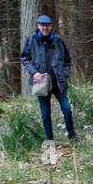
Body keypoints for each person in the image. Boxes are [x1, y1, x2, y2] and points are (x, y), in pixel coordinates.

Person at [21, 14, 75, 142]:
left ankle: (72, 136)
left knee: (67, 109)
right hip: (41, 84)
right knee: (45, 114)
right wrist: (34, 72)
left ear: (51, 26)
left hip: (58, 83)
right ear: (38, 26)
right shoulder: (31, 40)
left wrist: (64, 74)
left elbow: (67, 61)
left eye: (47, 25)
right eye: (42, 25)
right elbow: (24, 58)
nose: (45, 28)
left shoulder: (58, 40)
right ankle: (49, 139)